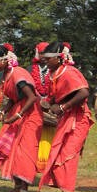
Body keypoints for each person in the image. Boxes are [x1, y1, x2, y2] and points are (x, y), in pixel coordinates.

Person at [36, 41, 92, 192]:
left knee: (67, 157)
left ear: (59, 58)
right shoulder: (55, 73)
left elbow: (83, 92)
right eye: (43, 58)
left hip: (78, 119)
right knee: (58, 154)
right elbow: (59, 95)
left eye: (48, 59)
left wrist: (62, 107)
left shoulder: (68, 72)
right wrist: (48, 103)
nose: (44, 61)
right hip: (66, 119)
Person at [0, 43, 42, 192]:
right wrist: (4, 112)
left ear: (5, 60)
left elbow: (31, 98)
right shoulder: (6, 74)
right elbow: (14, 98)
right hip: (19, 113)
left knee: (23, 152)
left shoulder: (18, 74)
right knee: (13, 150)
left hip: (30, 115)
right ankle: (17, 188)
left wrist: (18, 115)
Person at [31, 42, 58, 175]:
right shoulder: (29, 69)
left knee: (52, 140)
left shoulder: (55, 70)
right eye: (40, 53)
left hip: (52, 109)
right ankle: (35, 167)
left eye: (45, 54)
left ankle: (50, 169)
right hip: (34, 109)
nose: (42, 57)